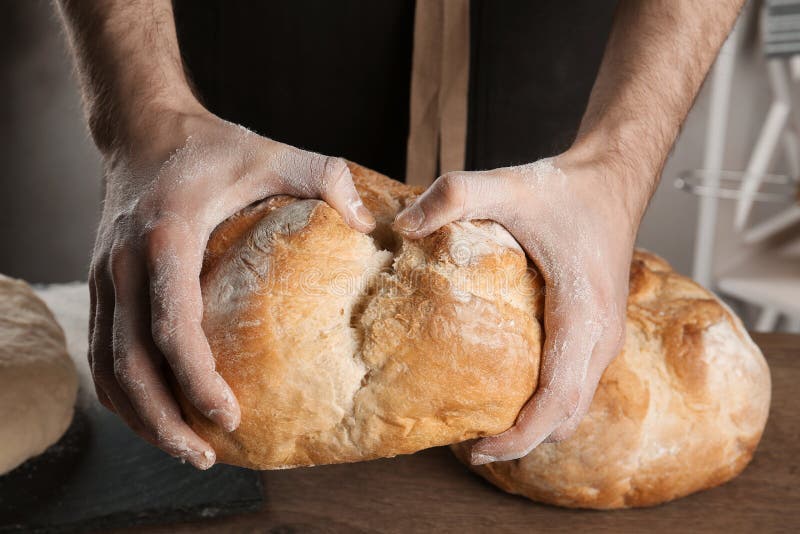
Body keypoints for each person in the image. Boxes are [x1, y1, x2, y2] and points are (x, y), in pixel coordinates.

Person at [56, 0, 744, 469]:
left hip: (567, 93)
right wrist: (146, 118)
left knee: (524, 362)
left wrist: (615, 168)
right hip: (239, 108)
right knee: (218, 366)